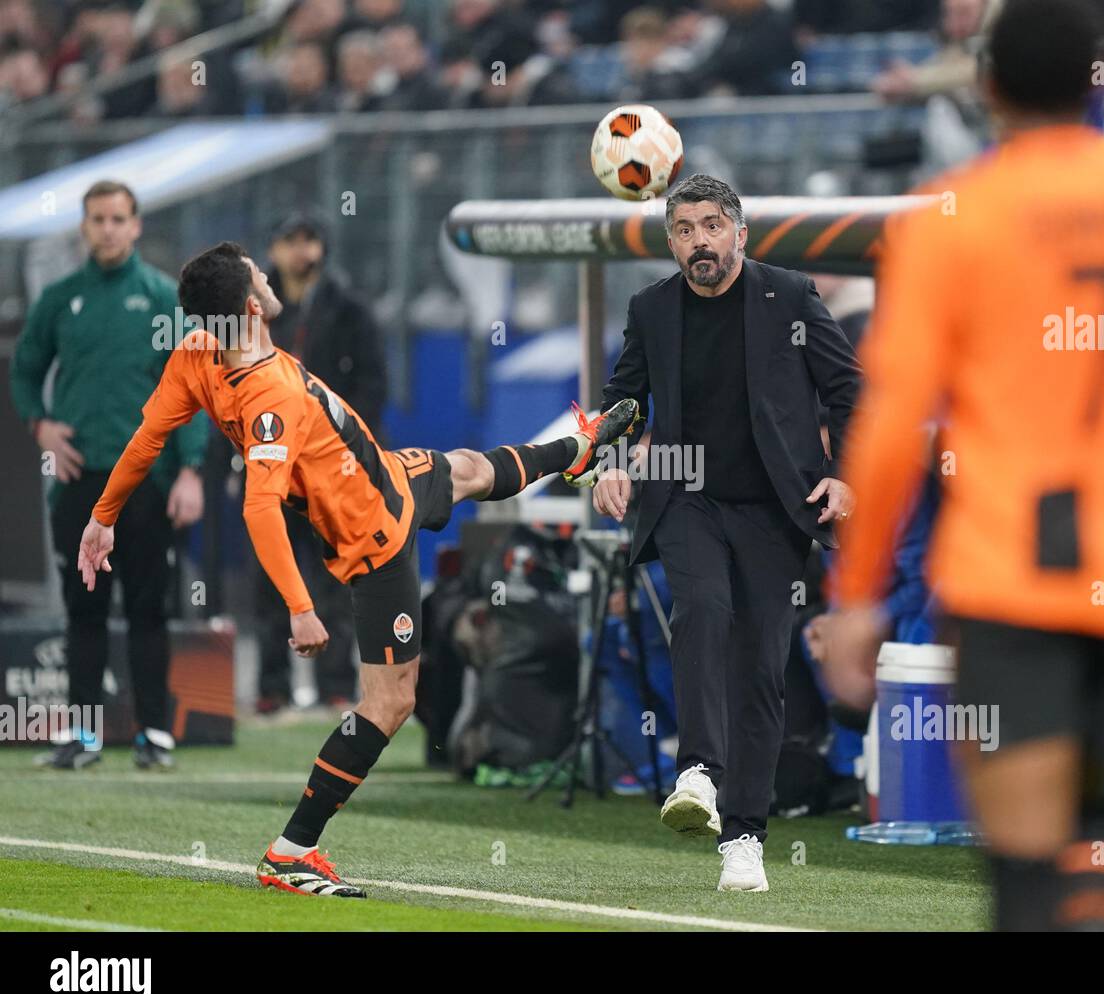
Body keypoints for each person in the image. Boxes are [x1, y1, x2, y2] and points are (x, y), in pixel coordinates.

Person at [825, 0, 1104, 931]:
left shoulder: (954, 219)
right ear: (1097, 81)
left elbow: (893, 420)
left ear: (988, 88)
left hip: (1010, 571)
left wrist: (860, 590)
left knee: (1023, 854)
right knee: (1077, 822)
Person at [76, 242, 638, 897]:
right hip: (376, 539)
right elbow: (259, 506)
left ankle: (575, 451)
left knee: (469, 467)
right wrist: (299, 604)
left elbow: (146, 440)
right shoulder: (269, 396)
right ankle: (292, 850)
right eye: (260, 272)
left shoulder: (197, 353)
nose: (269, 272)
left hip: (391, 473)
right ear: (254, 304)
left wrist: (102, 516)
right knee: (390, 702)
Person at [592, 173, 863, 892]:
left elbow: (851, 391)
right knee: (701, 608)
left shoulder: (792, 296)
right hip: (685, 497)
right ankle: (699, 772)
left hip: (776, 508)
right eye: (684, 229)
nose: (699, 240)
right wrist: (611, 463)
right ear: (671, 241)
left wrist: (847, 475)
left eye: (712, 225)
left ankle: (745, 839)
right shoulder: (652, 307)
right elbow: (624, 399)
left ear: (739, 233)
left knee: (762, 673)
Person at [11, 179, 208, 771]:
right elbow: (25, 370)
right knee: (83, 609)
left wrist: (191, 471)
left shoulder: (161, 298)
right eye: (97, 219)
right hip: (78, 478)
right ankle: (83, 736)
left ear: (136, 224)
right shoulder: (61, 297)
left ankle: (154, 734)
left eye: (118, 218)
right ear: (84, 226)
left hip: (148, 479)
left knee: (149, 607)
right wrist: (40, 426)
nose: (107, 229)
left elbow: (196, 386)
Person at [252, 211, 387, 713]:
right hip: (271, 460)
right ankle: (272, 687)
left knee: (337, 574)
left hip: (331, 464)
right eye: (292, 241)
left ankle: (335, 684)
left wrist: (349, 445)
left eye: (310, 240)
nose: (302, 250)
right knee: (272, 574)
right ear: (274, 249)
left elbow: (372, 383)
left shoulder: (348, 308)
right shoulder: (256, 312)